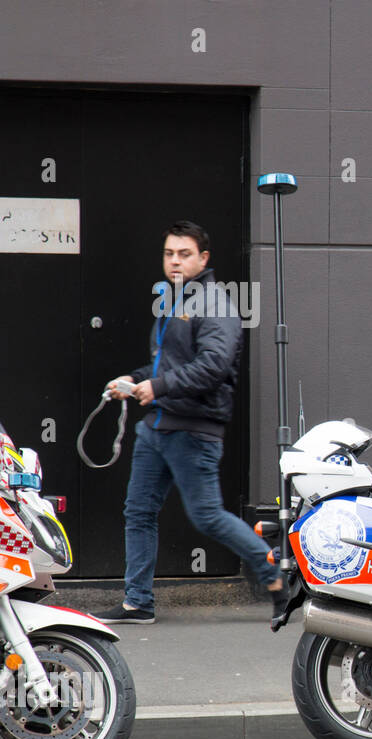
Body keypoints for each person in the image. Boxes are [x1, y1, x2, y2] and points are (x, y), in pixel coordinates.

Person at [95, 220, 285, 624]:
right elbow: (168, 364)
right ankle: (138, 602)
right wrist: (134, 379)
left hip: (193, 431)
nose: (175, 261)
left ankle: (275, 576)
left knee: (207, 516)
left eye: (184, 253)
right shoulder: (175, 300)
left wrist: (158, 385)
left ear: (204, 258)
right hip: (157, 428)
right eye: (169, 253)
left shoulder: (215, 303)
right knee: (139, 512)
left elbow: (213, 367)